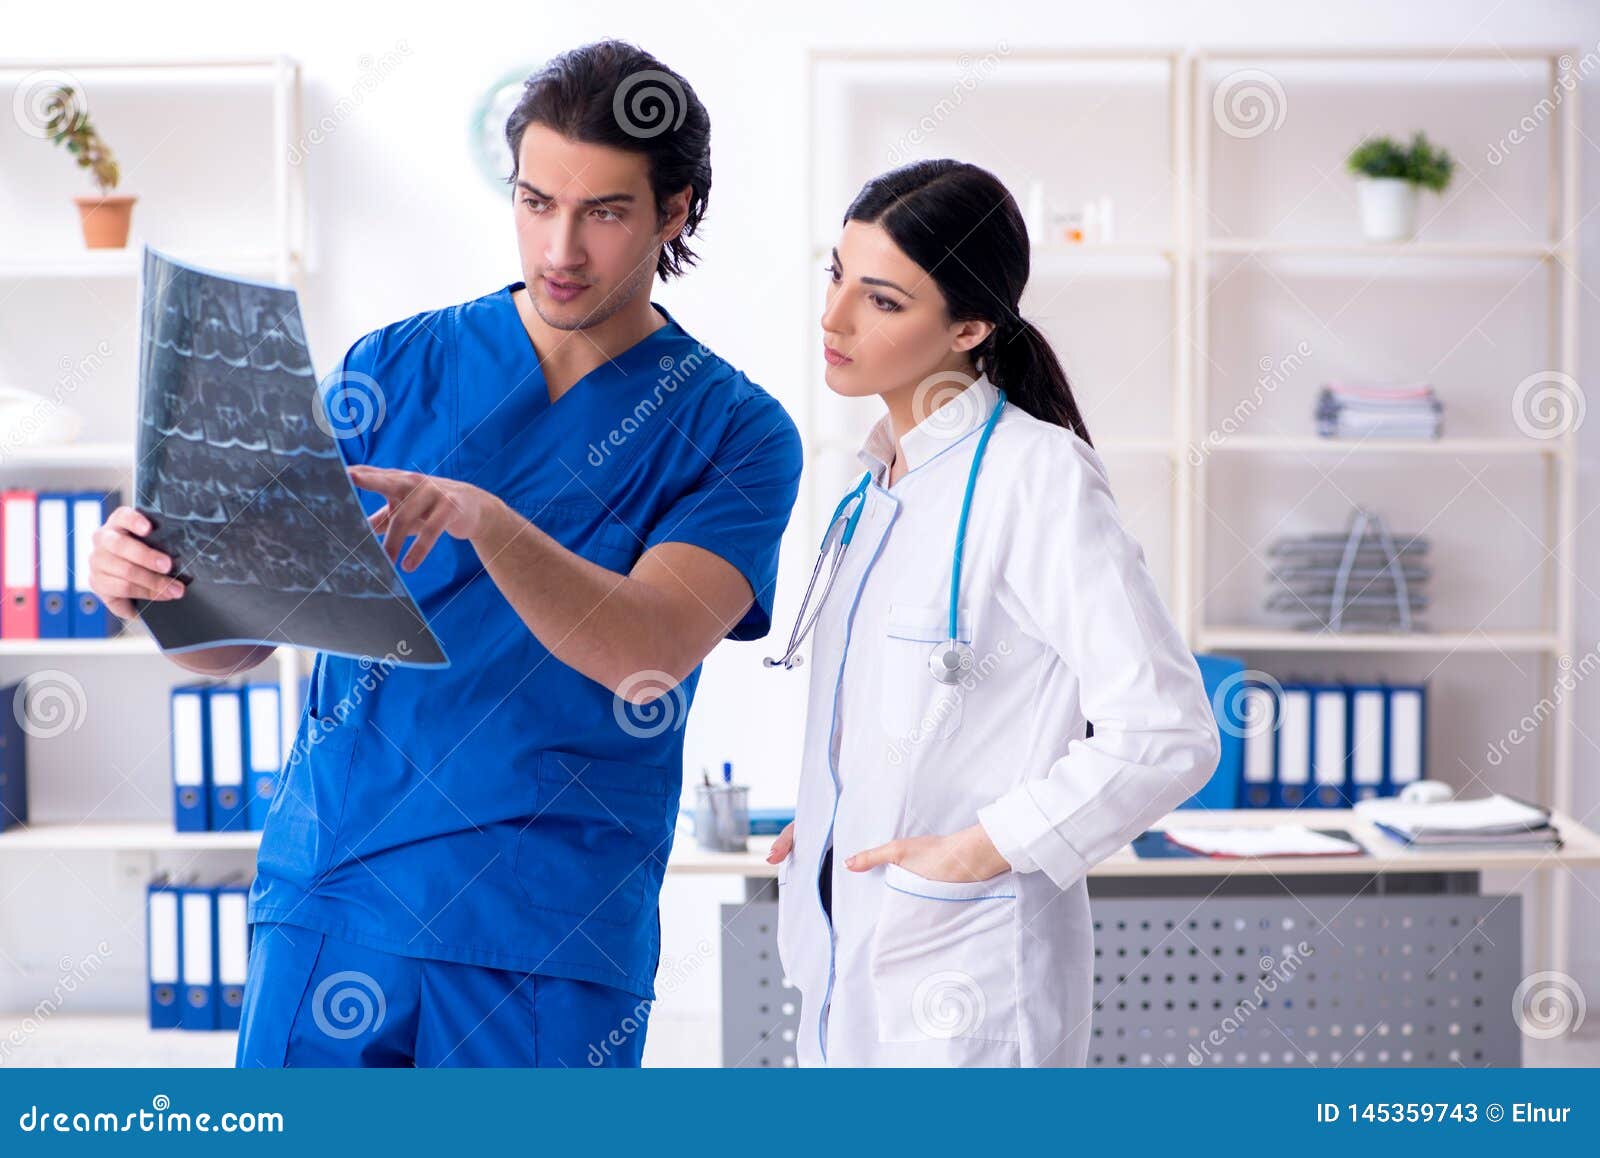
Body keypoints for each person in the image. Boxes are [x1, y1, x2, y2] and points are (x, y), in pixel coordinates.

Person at [88, 40, 802, 1067]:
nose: (559, 247)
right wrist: (150, 590)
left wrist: (487, 520)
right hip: (336, 892)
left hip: (548, 931)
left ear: (674, 211)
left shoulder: (734, 431)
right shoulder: (392, 368)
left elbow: (644, 651)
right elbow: (234, 647)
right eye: (535, 201)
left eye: (601, 212)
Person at [764, 159, 1219, 1067]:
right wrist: (836, 809)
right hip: (845, 951)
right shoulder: (871, 481)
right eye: (836, 275)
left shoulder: (1034, 475)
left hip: (961, 973)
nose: (834, 318)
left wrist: (981, 850)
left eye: (882, 300)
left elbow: (1167, 734)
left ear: (968, 327)